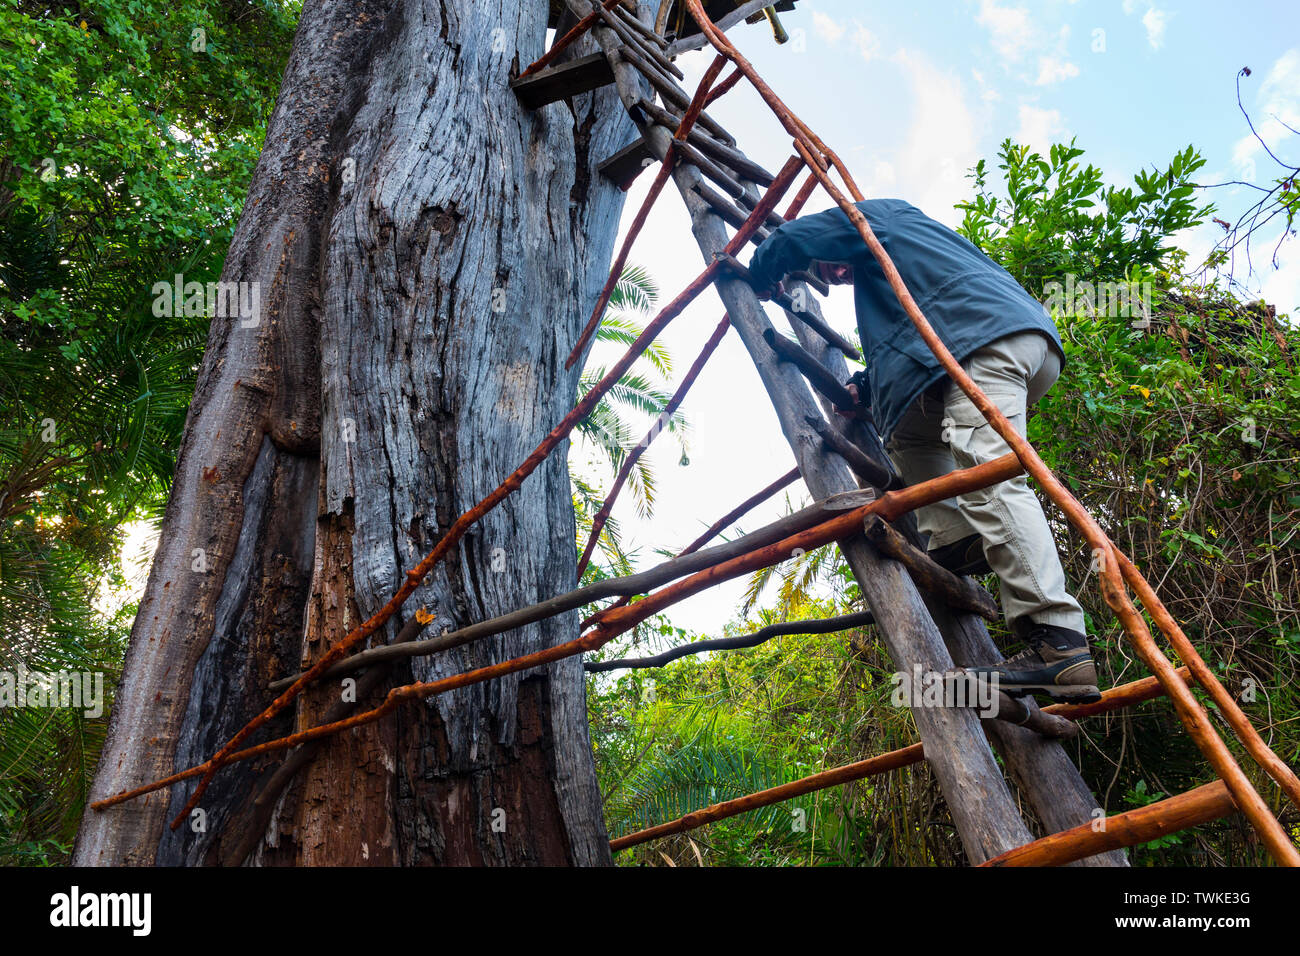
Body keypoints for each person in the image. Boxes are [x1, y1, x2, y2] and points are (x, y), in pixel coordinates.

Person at [747, 198, 1100, 703]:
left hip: (985, 342)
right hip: (989, 343)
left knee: (987, 474)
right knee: (907, 436)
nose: (839, 273)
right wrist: (866, 390)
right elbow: (914, 338)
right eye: (832, 273)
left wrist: (765, 268)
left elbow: (798, 238)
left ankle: (1059, 643)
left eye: (830, 265)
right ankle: (956, 539)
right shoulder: (896, 272)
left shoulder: (879, 216)